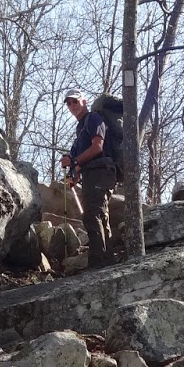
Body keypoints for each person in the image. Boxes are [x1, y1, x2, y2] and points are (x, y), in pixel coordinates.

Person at [61, 89, 117, 267]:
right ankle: (107, 260)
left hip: (101, 172)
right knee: (99, 215)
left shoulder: (93, 118)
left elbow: (98, 147)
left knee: (93, 215)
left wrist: (74, 161)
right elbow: (80, 162)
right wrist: (73, 174)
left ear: (84, 102)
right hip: (92, 174)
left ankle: (98, 263)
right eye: (69, 103)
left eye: (75, 102)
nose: (72, 106)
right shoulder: (81, 128)